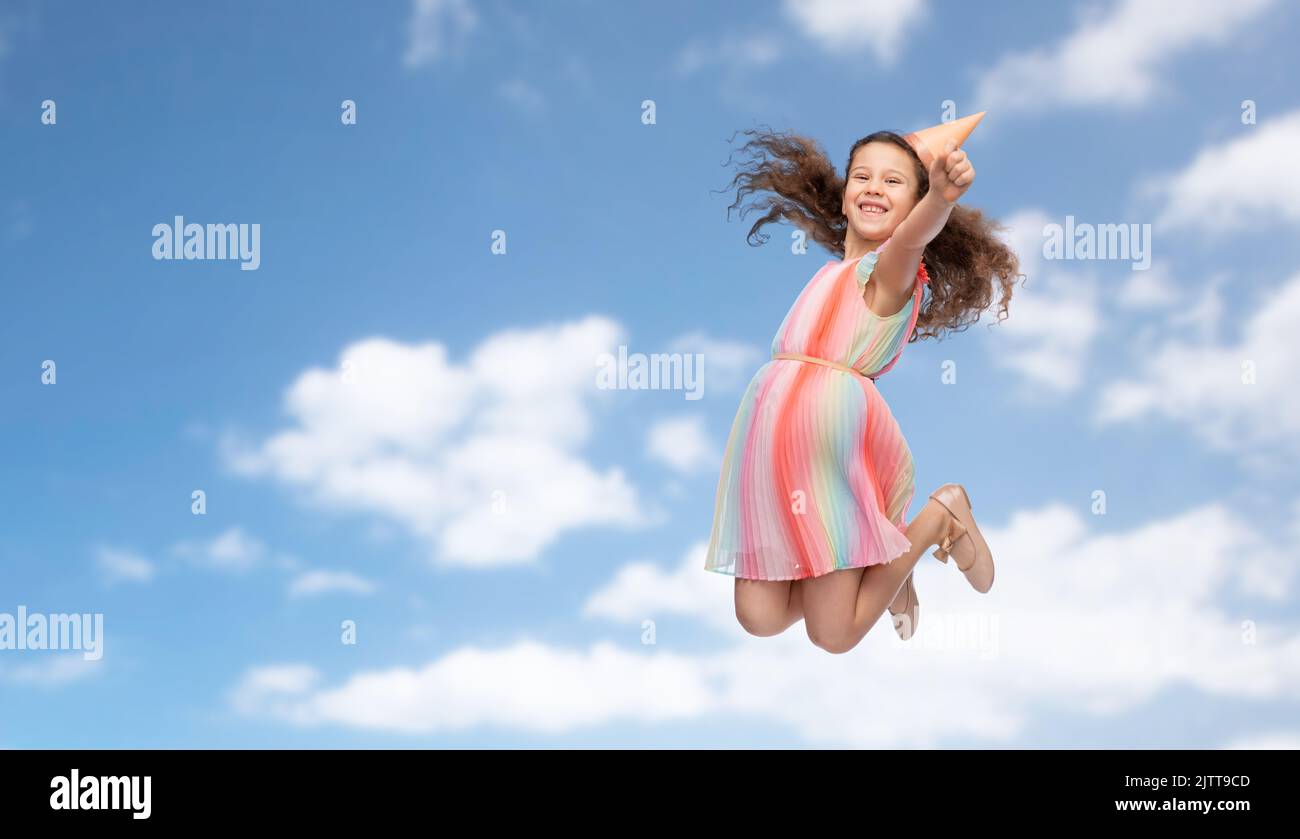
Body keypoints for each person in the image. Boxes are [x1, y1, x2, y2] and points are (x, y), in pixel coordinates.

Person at [703, 113, 1021, 652]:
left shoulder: (891, 272)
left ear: (914, 205)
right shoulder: (832, 272)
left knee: (833, 635)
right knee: (758, 615)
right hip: (772, 447)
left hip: (827, 445)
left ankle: (942, 514)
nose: (874, 187)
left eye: (894, 181)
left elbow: (912, 241)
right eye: (863, 176)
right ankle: (885, 572)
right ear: (844, 195)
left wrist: (939, 200)